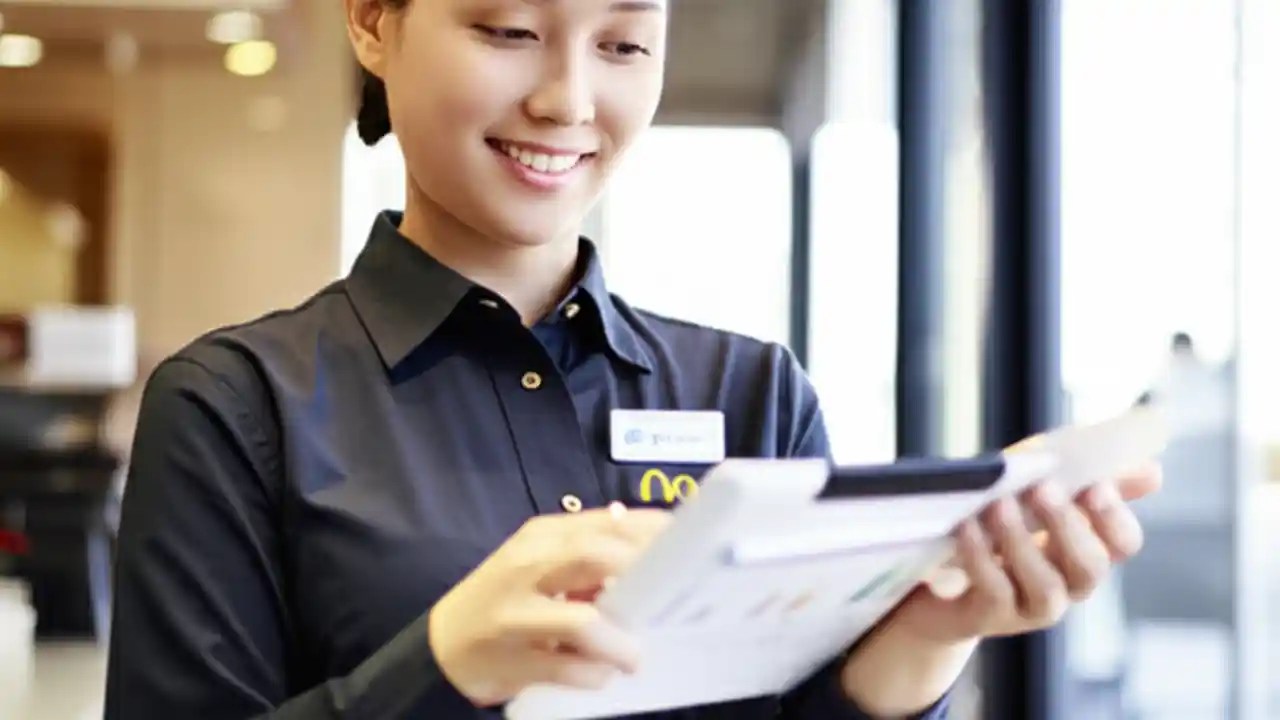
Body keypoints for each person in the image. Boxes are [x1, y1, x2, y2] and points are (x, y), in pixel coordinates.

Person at [104, 1, 1162, 718]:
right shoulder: (236, 406)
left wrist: (928, 634)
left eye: (622, 44)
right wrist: (442, 662)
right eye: (510, 28)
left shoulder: (752, 396)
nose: (567, 100)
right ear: (374, 21)